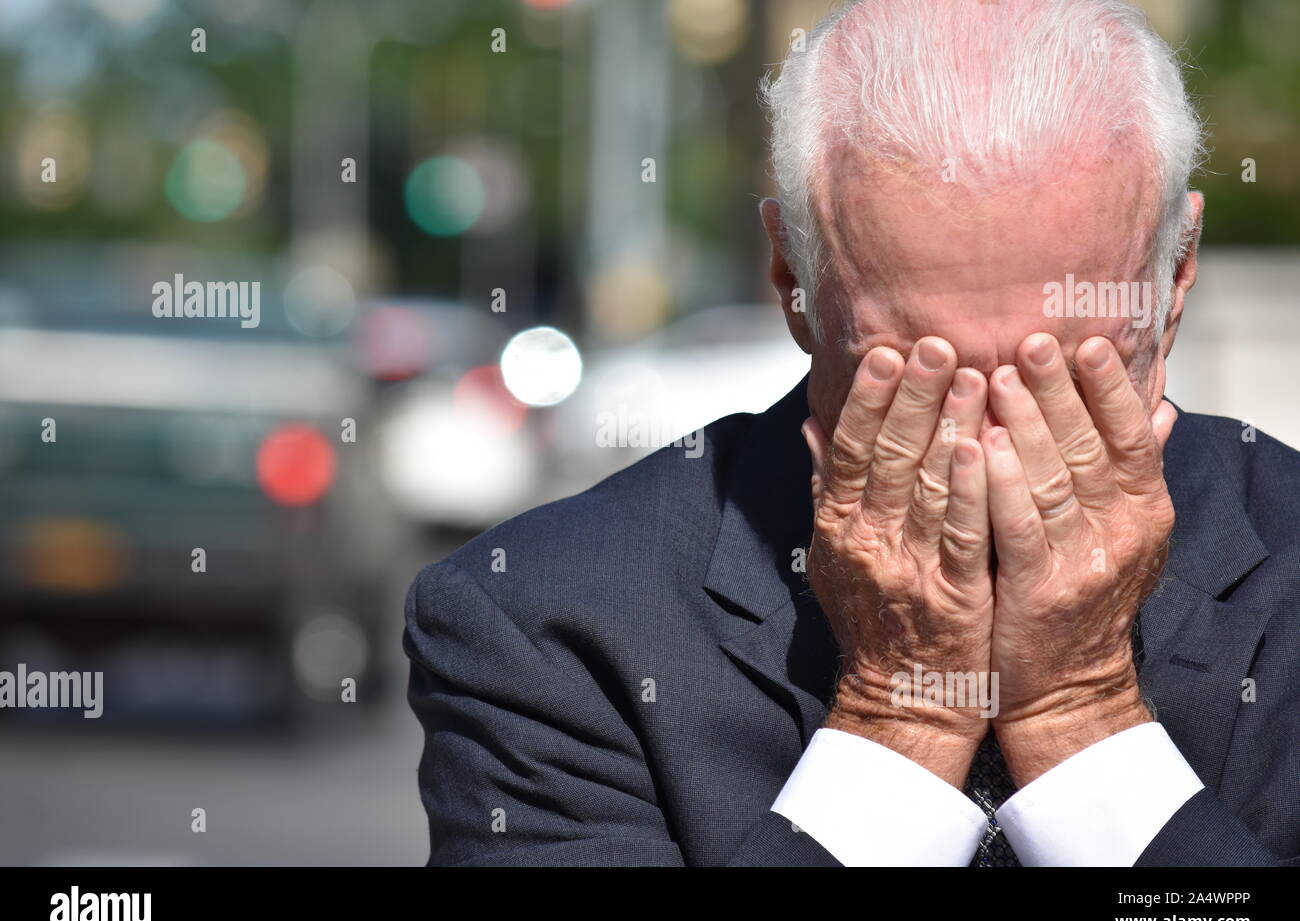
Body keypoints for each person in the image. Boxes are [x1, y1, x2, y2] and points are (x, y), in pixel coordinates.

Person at [404, 0, 1300, 866]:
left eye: (1058, 376)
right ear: (792, 275)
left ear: (1177, 273)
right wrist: (899, 720)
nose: (990, 441)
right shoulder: (549, 624)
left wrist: (1081, 715)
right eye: (920, 375)